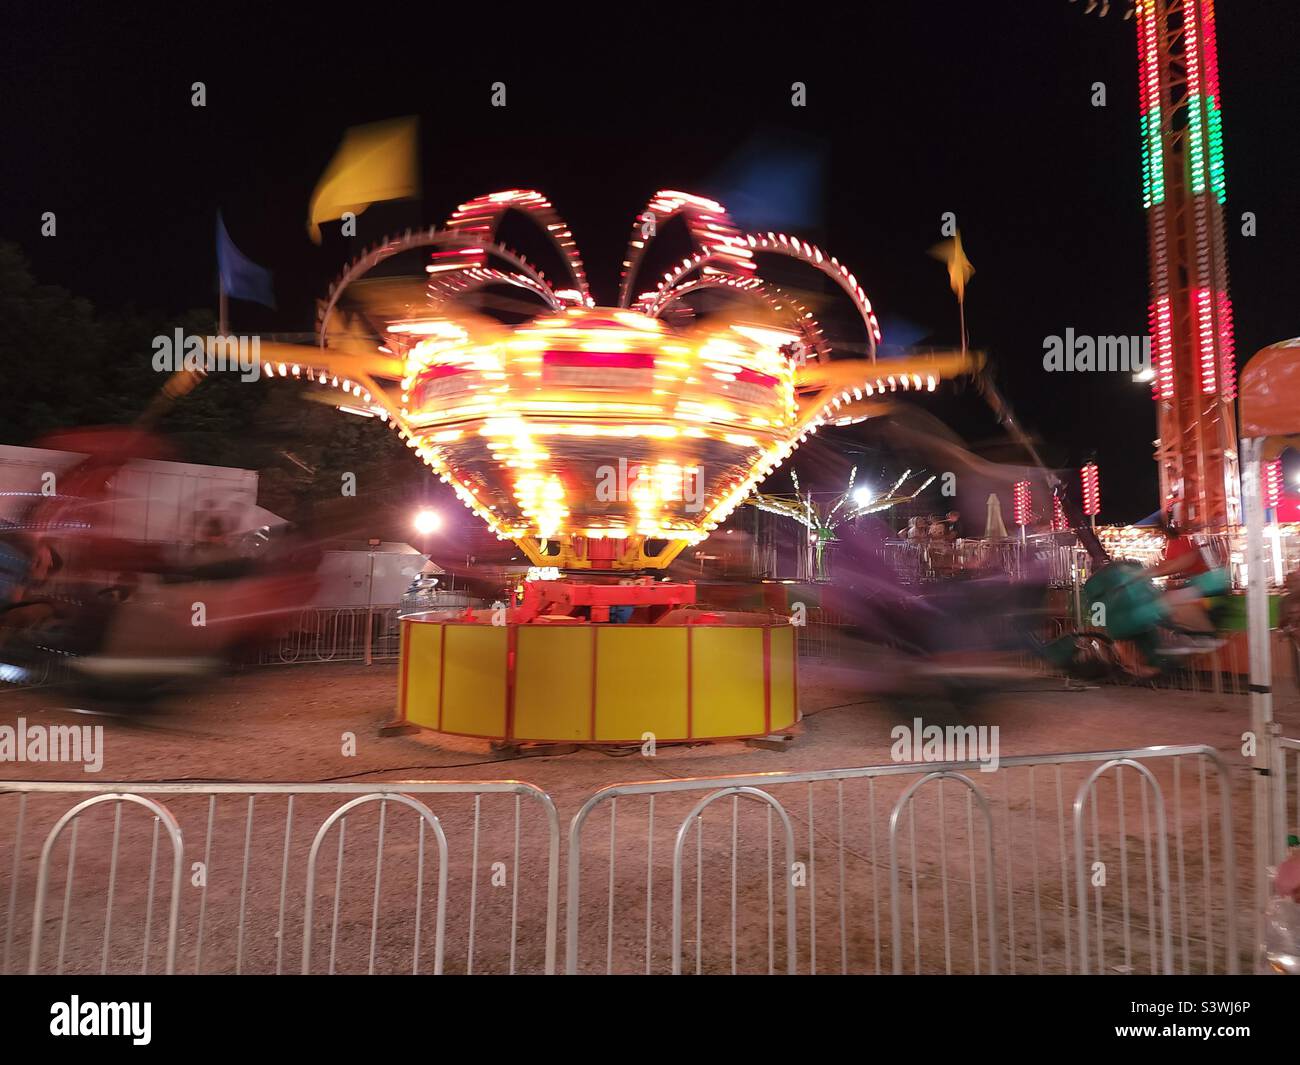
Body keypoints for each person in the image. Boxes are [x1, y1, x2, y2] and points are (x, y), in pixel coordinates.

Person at [1144, 502, 1228, 644]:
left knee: (1169, 600)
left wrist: (1150, 573)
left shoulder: (1186, 538)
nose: (1164, 529)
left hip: (1210, 581)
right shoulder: (1172, 542)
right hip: (1199, 581)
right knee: (1163, 599)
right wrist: (1151, 571)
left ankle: (1206, 635)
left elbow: (1185, 561)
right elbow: (1169, 564)